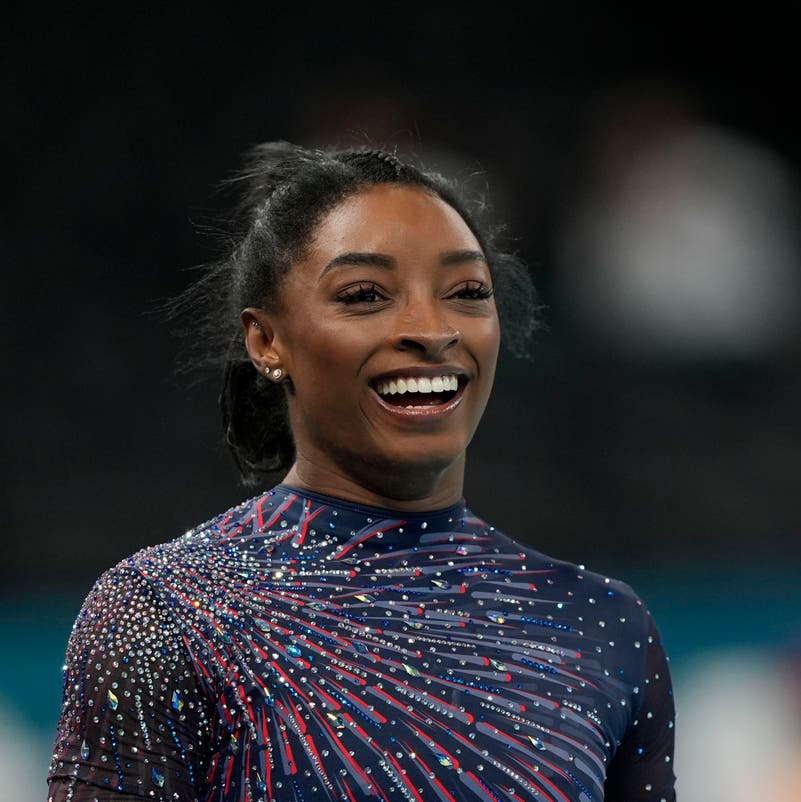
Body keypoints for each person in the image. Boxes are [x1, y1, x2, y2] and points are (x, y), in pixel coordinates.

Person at [46, 142, 676, 801]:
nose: (431, 328)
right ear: (267, 342)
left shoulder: (601, 624)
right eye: (365, 294)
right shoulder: (169, 611)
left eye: (466, 292)